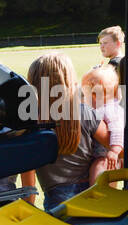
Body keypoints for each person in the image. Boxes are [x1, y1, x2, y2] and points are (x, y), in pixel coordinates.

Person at [20, 52, 109, 211]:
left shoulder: (29, 122)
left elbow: (28, 175)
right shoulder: (84, 112)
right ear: (69, 79)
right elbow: (118, 146)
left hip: (56, 203)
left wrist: (29, 206)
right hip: (92, 197)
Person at [81, 64, 124, 183]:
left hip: (107, 154)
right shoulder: (99, 106)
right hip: (100, 151)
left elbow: (117, 129)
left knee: (98, 167)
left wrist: (114, 151)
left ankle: (96, 196)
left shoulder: (110, 109)